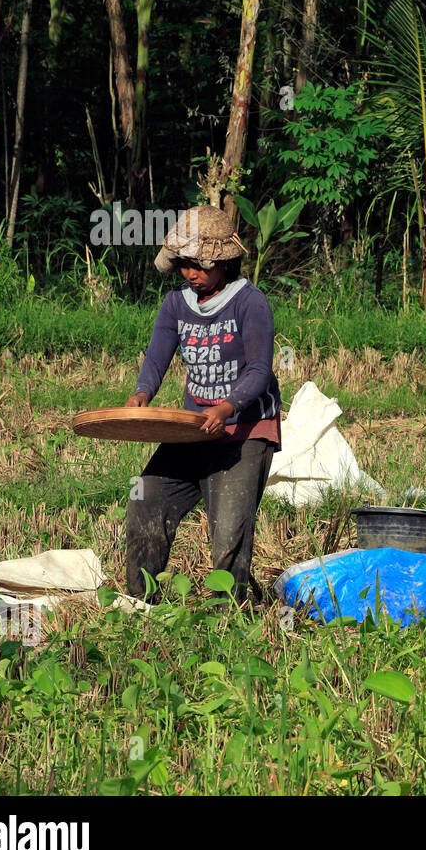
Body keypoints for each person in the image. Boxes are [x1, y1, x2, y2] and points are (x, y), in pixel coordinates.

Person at [124, 205, 282, 606]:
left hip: (243, 433)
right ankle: (143, 604)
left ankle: (230, 616)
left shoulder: (250, 302)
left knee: (228, 537)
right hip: (192, 430)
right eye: (184, 265)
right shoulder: (176, 304)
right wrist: (143, 394)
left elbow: (260, 369)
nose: (191, 273)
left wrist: (226, 408)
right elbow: (157, 357)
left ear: (224, 262)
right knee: (144, 502)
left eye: (199, 265)